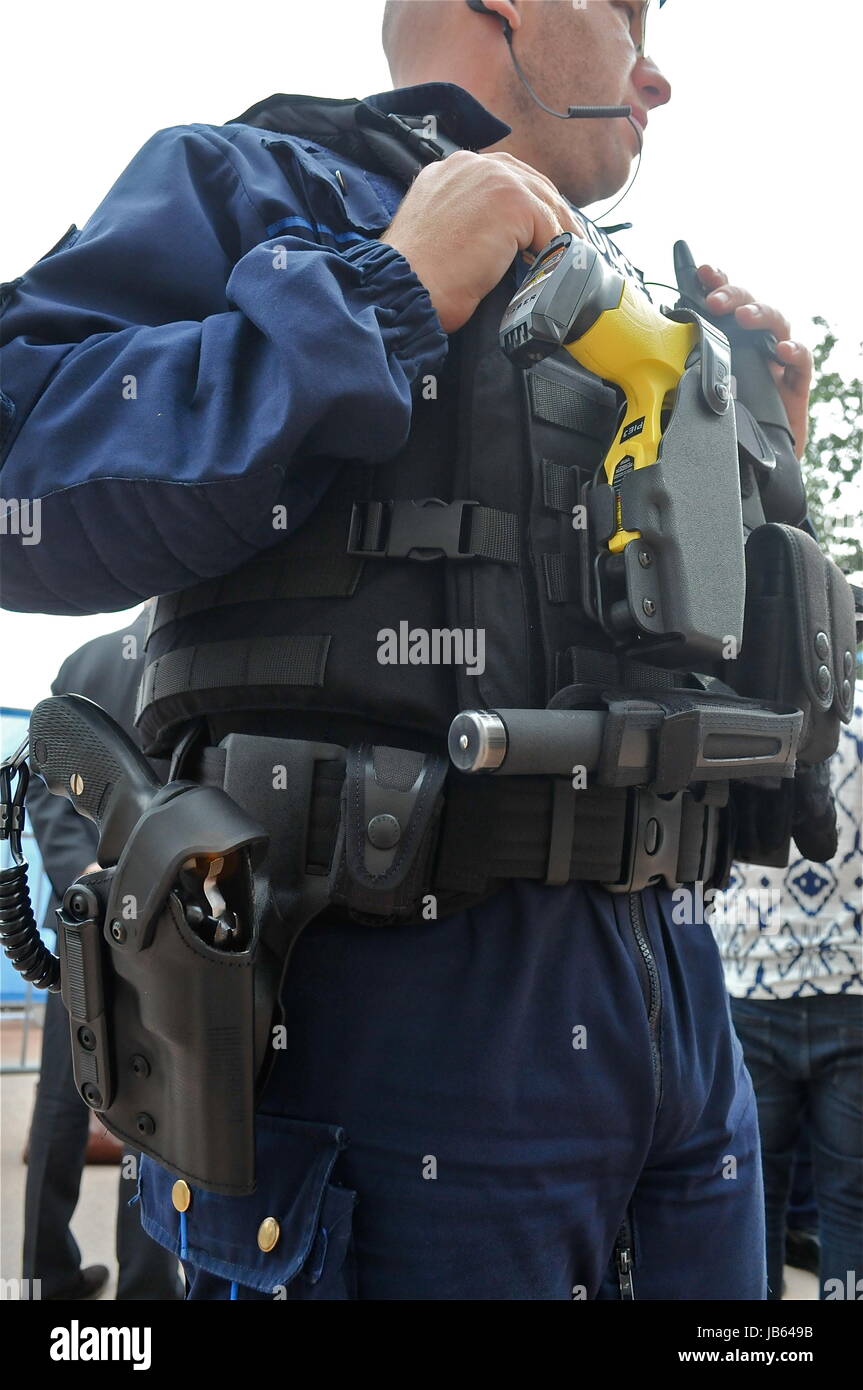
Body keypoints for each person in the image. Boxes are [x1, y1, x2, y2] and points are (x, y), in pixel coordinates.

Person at [0, 0, 822, 1299]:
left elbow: (713, 682)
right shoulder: (261, 182)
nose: (653, 76)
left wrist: (761, 468)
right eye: (625, 16)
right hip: (378, 1017)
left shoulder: (644, 324)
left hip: (675, 997)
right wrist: (381, 292)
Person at [22, 616, 185, 1302]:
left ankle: (42, 1277)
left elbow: (43, 791)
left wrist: (82, 872)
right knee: (157, 1104)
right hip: (169, 930)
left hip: (84, 924)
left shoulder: (82, 661)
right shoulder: (201, 651)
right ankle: (147, 1292)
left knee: (62, 1097)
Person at [712, 702, 863, 1300]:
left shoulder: (746, 716)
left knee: (755, 1196)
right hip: (854, 990)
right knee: (850, 1203)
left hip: (751, 988)